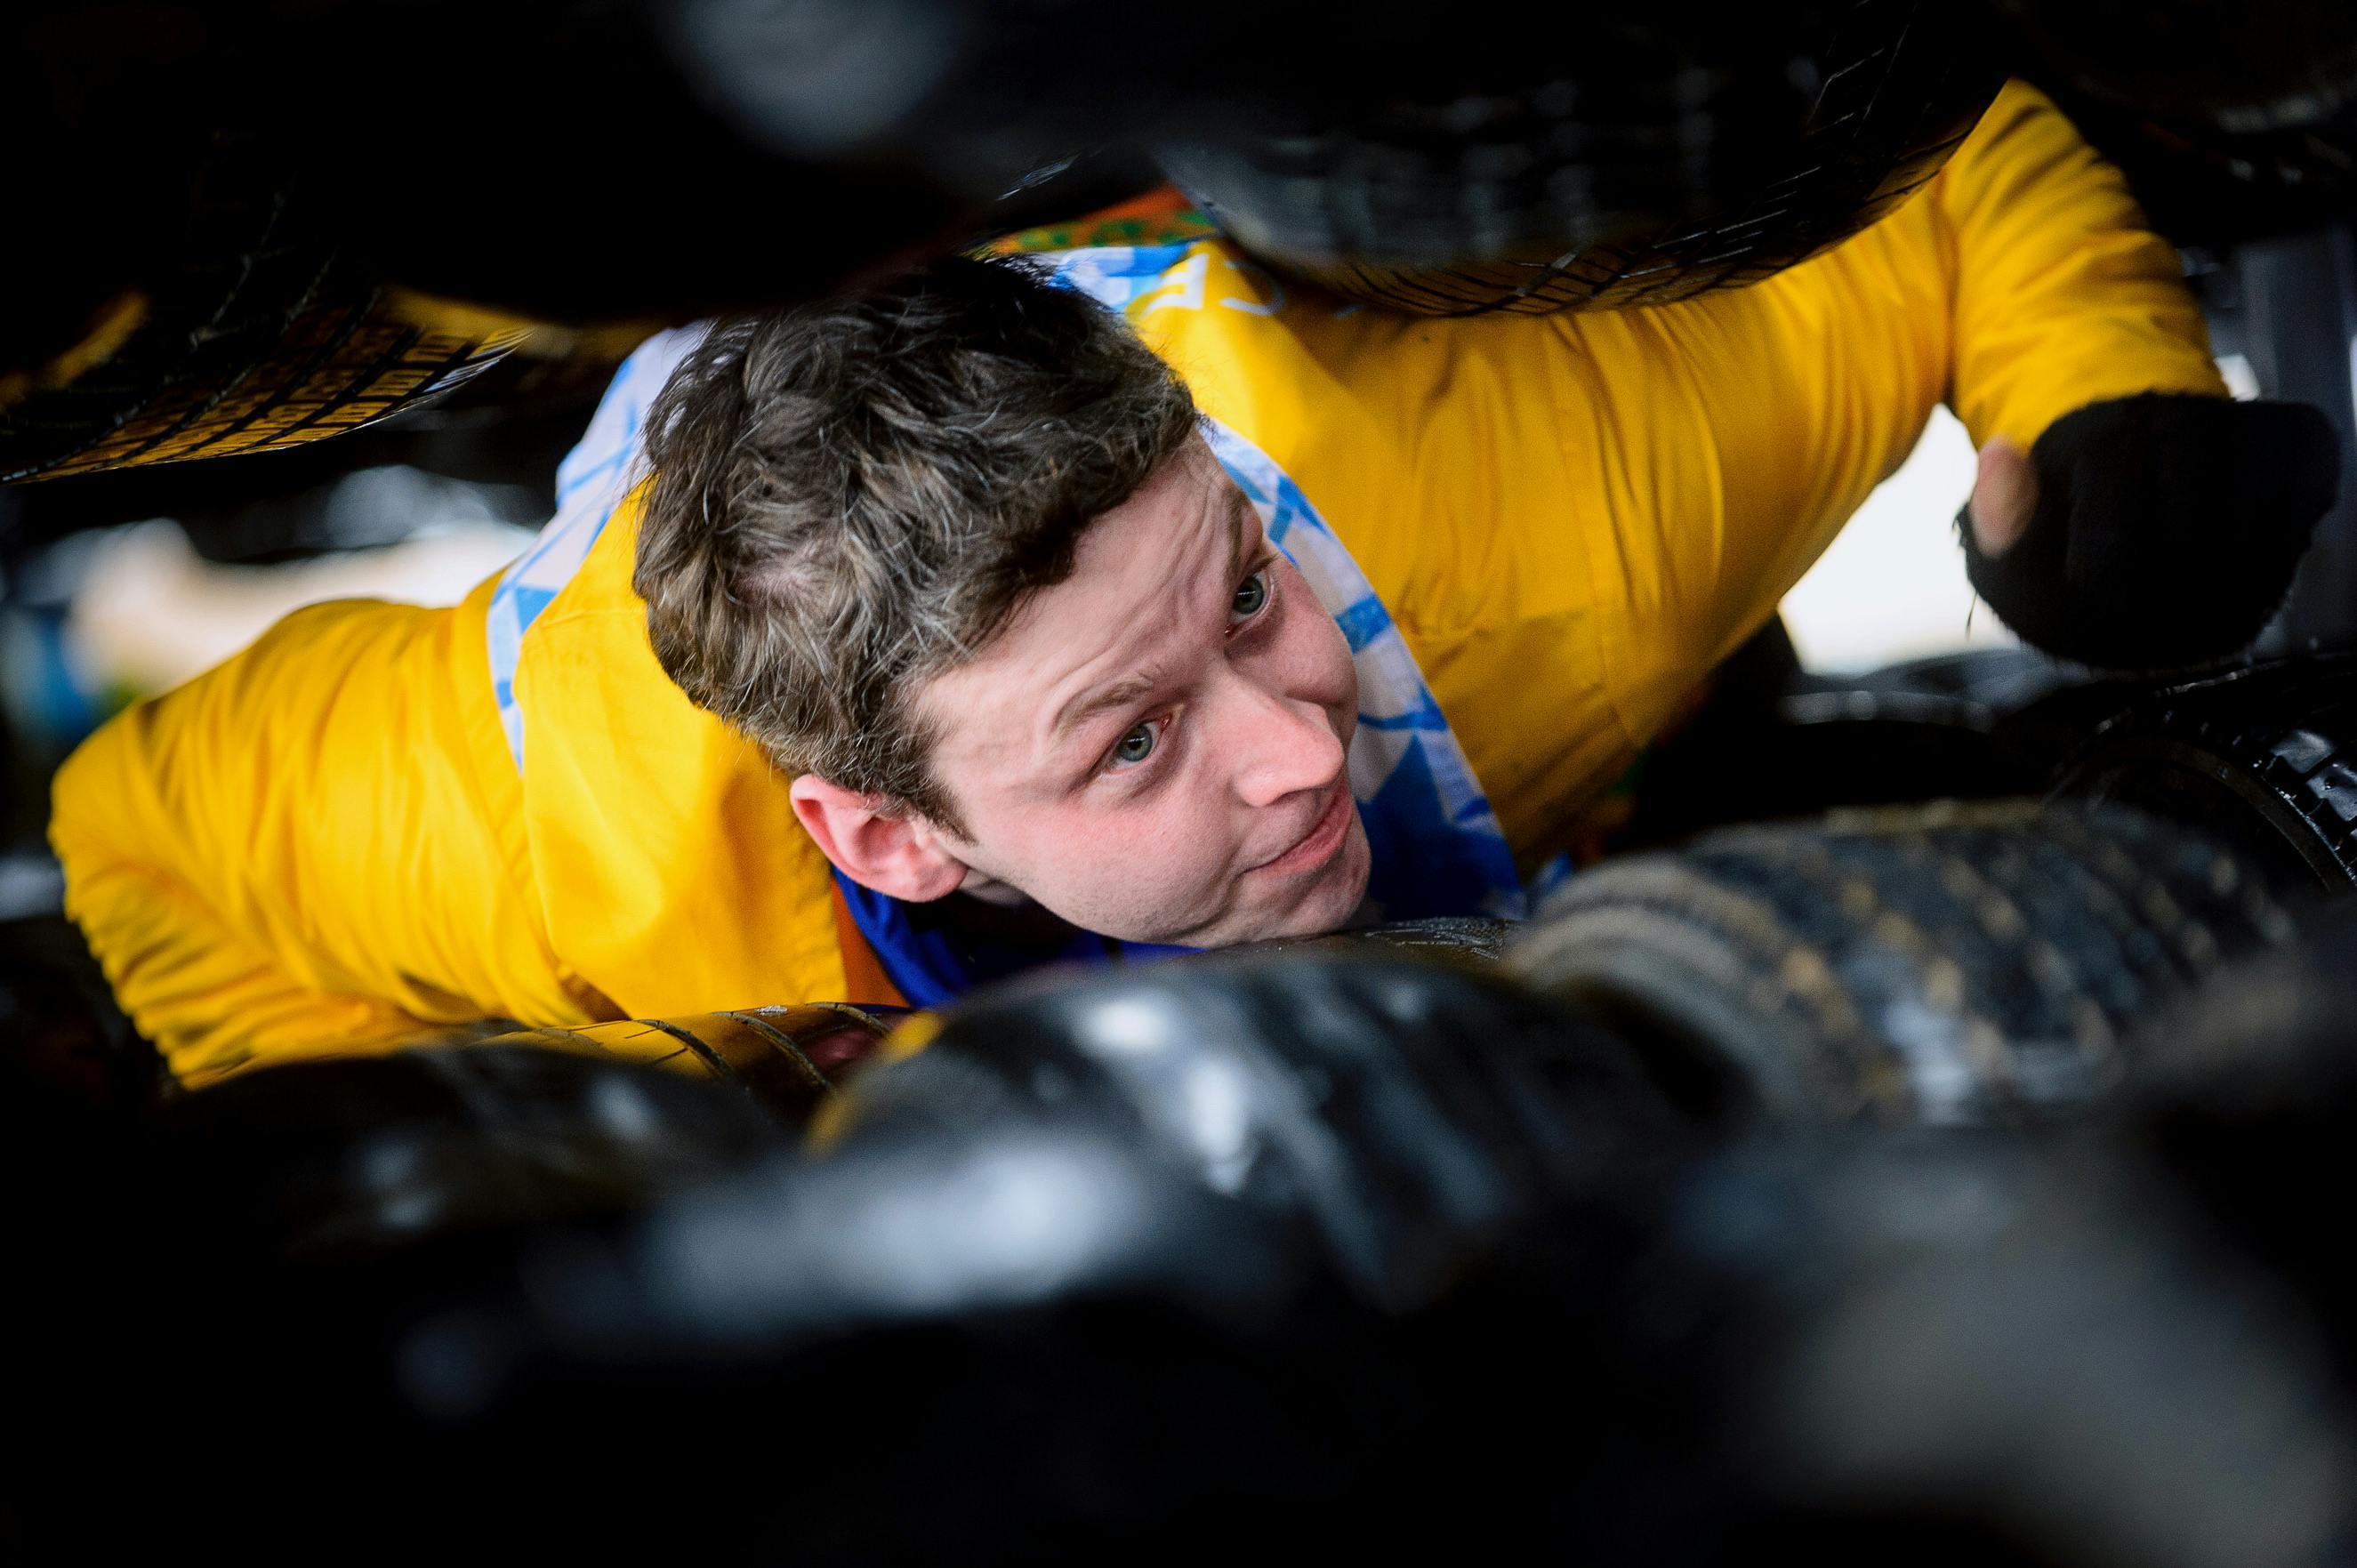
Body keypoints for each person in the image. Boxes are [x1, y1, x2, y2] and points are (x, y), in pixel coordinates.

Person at [52, 81, 2337, 1087]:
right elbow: (133, 835)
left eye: (1243, 600)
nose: (1295, 728)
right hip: (655, 459)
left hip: (1078, 244)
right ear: (888, 835)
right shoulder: (551, 852)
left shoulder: (1558, 516)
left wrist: (2096, 404)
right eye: (1133, 736)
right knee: (152, 659)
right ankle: (136, 592)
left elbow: (1929, 172)